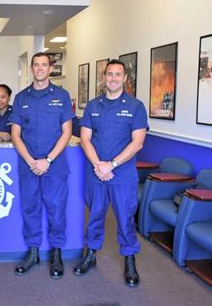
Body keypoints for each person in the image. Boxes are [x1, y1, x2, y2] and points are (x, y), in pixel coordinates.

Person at [73, 59, 148, 288]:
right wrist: (98, 165)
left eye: (118, 74)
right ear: (104, 77)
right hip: (96, 172)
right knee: (95, 215)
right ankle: (91, 255)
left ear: (125, 78)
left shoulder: (136, 106)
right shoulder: (93, 106)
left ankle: (129, 260)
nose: (113, 78)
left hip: (122, 175)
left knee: (125, 218)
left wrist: (111, 165)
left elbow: (138, 143)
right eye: (109, 74)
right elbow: (85, 138)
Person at [9, 52, 74, 279]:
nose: (39, 68)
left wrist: (47, 160)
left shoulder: (62, 96)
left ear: (50, 68)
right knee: (30, 210)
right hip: (28, 167)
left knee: (56, 211)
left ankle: (56, 253)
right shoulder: (20, 98)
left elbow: (67, 133)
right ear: (31, 69)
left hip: (54, 167)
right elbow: (15, 134)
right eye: (35, 65)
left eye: (43, 65)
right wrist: (30, 161)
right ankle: (33, 252)